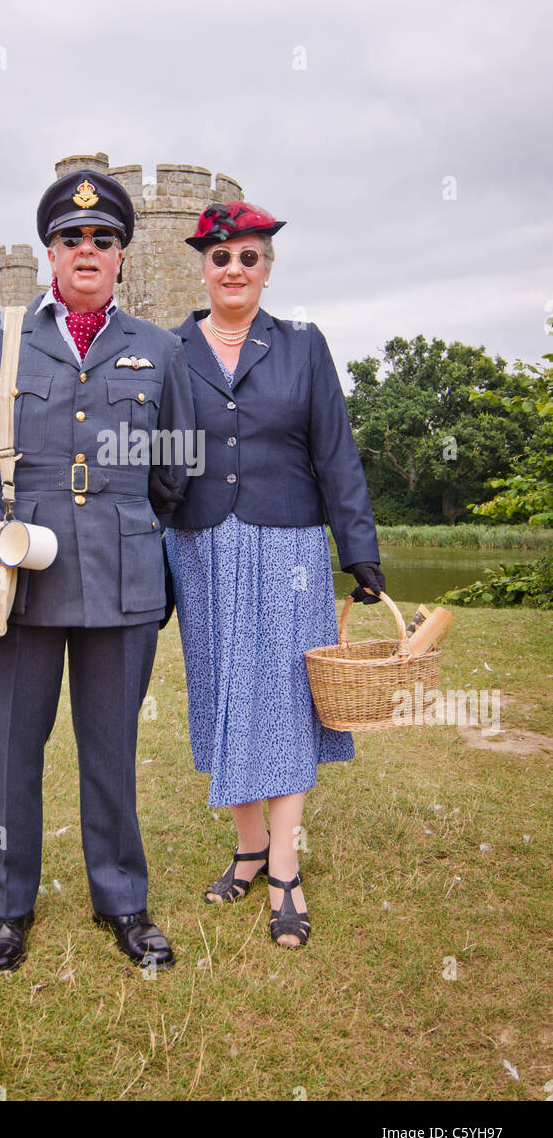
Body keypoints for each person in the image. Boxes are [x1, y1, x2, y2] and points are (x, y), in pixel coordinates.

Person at [0, 169, 195, 973]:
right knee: (13, 747)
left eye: (103, 240)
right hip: (22, 575)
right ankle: (8, 907)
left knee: (110, 748)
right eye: (71, 238)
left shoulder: (158, 347)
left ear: (121, 257)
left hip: (122, 579)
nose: (87, 250)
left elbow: (176, 460)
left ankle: (122, 901)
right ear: (50, 250)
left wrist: (134, 517)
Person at [165, 201, 385, 948]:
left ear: (267, 268)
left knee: (285, 699)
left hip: (288, 546)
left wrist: (360, 552)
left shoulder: (301, 345)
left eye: (248, 257)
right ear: (203, 266)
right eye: (221, 257)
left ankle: (285, 868)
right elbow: (151, 451)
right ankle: (248, 847)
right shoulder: (168, 351)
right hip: (198, 545)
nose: (234, 269)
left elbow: (335, 454)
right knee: (227, 689)